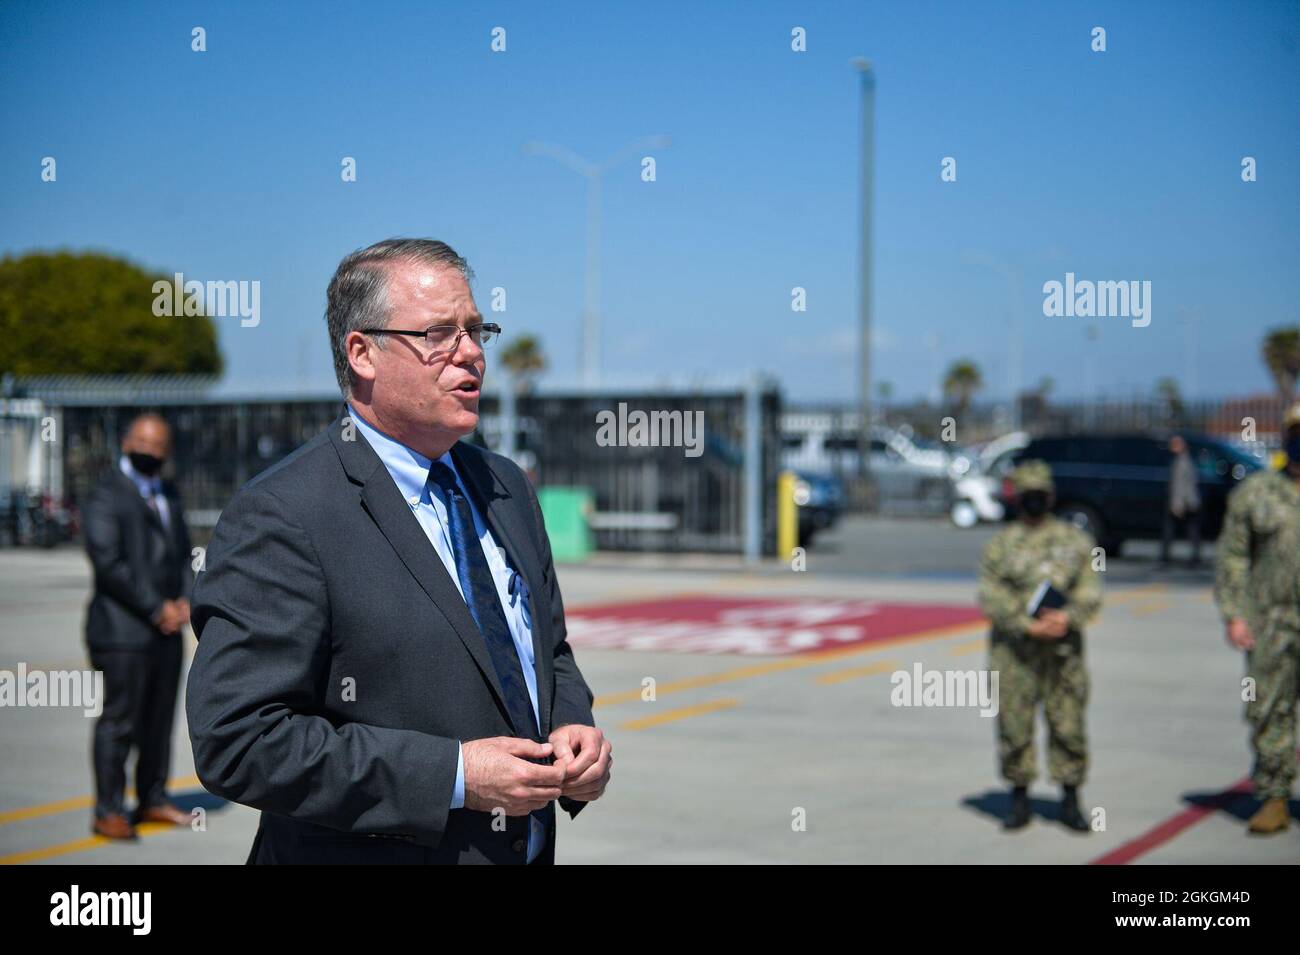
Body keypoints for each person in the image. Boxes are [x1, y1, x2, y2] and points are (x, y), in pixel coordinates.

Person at [186, 238, 609, 864]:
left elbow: (545, 649)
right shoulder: (285, 514)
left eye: (476, 330)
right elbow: (241, 740)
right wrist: (455, 776)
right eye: (439, 333)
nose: (469, 354)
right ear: (364, 353)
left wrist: (572, 726)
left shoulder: (506, 487)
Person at [82, 413, 194, 839]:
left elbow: (184, 551)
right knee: (120, 721)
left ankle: (153, 798)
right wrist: (155, 608)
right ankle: (107, 808)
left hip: (167, 631)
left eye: (159, 446)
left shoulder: (168, 491)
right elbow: (108, 563)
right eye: (144, 443)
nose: (151, 452)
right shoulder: (106, 494)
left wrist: (185, 599)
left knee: (159, 720)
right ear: (127, 442)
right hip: (122, 632)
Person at [977, 460, 1103, 832]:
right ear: (1017, 498)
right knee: (1014, 728)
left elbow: (1090, 587)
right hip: (1014, 653)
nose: (1034, 501)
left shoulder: (1074, 541)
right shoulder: (1001, 544)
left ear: (1050, 497)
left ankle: (1070, 799)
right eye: (1027, 495)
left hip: (1063, 654)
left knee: (1068, 726)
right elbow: (990, 593)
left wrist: (1069, 617)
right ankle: (1019, 800)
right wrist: (1026, 624)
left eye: (1040, 495)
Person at [1214, 401, 1300, 835]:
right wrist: (1234, 614)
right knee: (1268, 709)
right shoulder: (1256, 493)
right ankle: (1274, 797)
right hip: (1272, 621)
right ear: (1286, 438)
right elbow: (1232, 558)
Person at [1161, 435, 1202, 568]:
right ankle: (1194, 557)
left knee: (1172, 529)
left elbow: (1179, 485)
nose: (1171, 447)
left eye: (1175, 444)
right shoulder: (1187, 460)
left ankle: (1167, 557)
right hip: (1190, 501)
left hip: (1184, 502)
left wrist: (1177, 504)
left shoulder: (1181, 462)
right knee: (1191, 530)